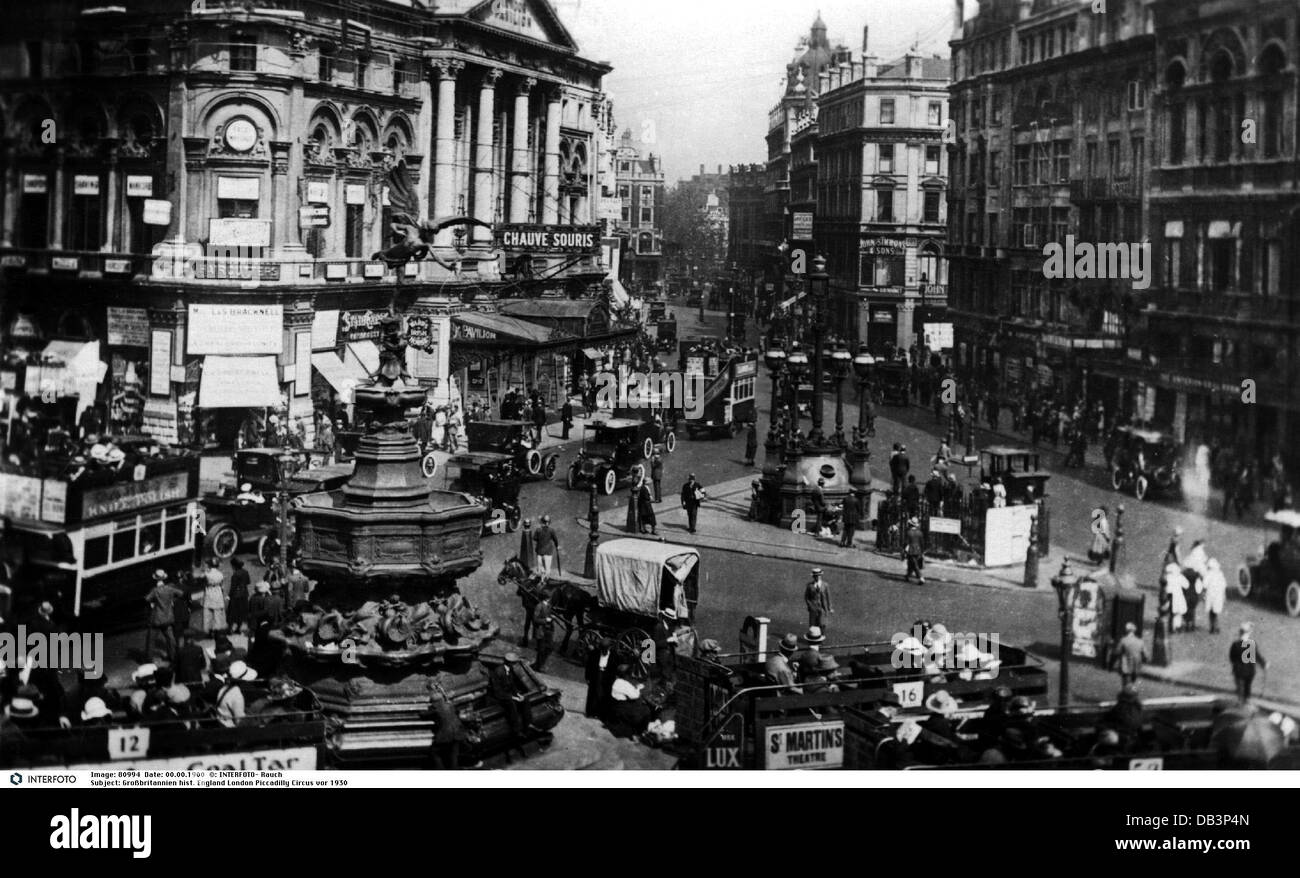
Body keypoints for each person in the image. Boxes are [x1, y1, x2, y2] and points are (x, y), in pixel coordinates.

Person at [144, 570, 183, 663]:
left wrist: (154, 603)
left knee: (151, 640)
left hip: (157, 619)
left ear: (156, 579)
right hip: (168, 617)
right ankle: (172, 657)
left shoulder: (155, 590)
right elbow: (181, 593)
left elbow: (147, 599)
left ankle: (149, 660)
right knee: (170, 638)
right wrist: (171, 600)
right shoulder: (169, 588)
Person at [429, 689, 466, 770]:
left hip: (445, 736)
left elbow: (422, 714)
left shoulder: (435, 710)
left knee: (434, 752)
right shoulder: (451, 705)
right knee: (453, 755)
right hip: (458, 734)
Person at [1229, 623, 1266, 701]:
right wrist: (1263, 664)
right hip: (1250, 671)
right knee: (1247, 688)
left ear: (1240, 632)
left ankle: (1240, 702)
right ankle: (1246, 701)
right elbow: (1257, 656)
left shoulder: (1235, 644)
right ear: (1249, 633)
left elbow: (1232, 658)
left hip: (1239, 671)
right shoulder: (1252, 644)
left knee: (1240, 689)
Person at [584, 637, 616, 718]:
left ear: (609, 648)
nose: (604, 651)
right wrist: (587, 677)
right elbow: (589, 666)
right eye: (602, 649)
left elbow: (615, 667)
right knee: (592, 693)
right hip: (596, 673)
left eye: (605, 649)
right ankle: (590, 712)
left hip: (606, 675)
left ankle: (599, 713)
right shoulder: (594, 653)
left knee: (603, 694)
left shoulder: (614, 655)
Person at [1183, 539, 1208, 632]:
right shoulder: (1196, 574)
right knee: (1192, 609)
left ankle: (1187, 625)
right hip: (1194, 593)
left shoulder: (1185, 572)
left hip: (1187, 592)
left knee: (1187, 608)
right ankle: (1192, 625)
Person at [1111, 622, 1146, 687]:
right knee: (1132, 683)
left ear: (1126, 631)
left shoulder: (1123, 640)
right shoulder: (1140, 641)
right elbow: (1145, 655)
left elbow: (1117, 652)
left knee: (1126, 685)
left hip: (1126, 666)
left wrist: (1112, 664)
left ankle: (1127, 695)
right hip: (1136, 666)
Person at [652, 608, 680, 681]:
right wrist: (667, 640)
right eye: (670, 619)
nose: (672, 621)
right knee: (665, 674)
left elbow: (672, 637)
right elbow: (655, 644)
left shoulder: (670, 627)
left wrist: (675, 640)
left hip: (669, 653)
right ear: (666, 618)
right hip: (661, 654)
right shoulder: (659, 627)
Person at [201, 560, 227, 635]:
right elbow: (222, 585)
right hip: (218, 592)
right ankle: (217, 631)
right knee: (217, 613)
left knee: (208, 614)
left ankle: (209, 631)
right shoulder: (220, 574)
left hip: (209, 592)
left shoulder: (207, 574)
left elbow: (203, 582)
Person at [532, 592, 555, 673]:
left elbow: (548, 614)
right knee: (541, 649)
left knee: (550, 648)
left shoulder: (548, 606)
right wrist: (546, 620)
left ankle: (538, 664)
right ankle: (539, 666)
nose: (550, 599)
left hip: (548, 631)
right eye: (550, 597)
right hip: (541, 631)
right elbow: (535, 619)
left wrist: (551, 617)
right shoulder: (539, 606)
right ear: (547, 598)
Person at [804, 568, 833, 633]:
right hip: (813, 608)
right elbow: (806, 597)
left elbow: (828, 597)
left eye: (819, 576)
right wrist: (810, 605)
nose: (817, 577)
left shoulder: (825, 585)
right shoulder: (809, 586)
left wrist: (830, 608)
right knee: (812, 626)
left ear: (821, 576)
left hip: (822, 608)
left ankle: (821, 638)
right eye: (815, 576)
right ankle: (813, 638)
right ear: (813, 577)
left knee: (821, 624)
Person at [227, 558, 251, 635]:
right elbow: (248, 582)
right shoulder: (245, 572)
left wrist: (229, 595)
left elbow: (233, 587)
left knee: (231, 613)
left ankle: (230, 629)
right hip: (244, 594)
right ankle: (238, 628)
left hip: (235, 596)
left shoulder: (235, 575)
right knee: (241, 612)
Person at [1203, 558, 1227, 634]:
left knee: (1211, 612)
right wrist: (1224, 595)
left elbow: (1205, 584)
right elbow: (1224, 585)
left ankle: (1212, 627)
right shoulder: (1220, 574)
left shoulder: (1208, 574)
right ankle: (1216, 627)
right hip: (1218, 595)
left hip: (1211, 595)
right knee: (1216, 612)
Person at [1163, 563, 1188, 632]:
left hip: (1170, 596)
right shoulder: (1179, 576)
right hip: (1178, 596)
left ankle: (1172, 627)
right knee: (1178, 612)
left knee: (1172, 612)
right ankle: (1177, 626)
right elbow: (1186, 585)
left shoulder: (1167, 577)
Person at [904, 518, 926, 584]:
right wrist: (922, 551)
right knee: (912, 563)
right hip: (918, 550)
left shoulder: (909, 532)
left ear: (910, 524)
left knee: (914, 564)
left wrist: (904, 550)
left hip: (911, 550)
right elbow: (922, 543)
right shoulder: (920, 533)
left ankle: (921, 578)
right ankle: (907, 576)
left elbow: (906, 542)